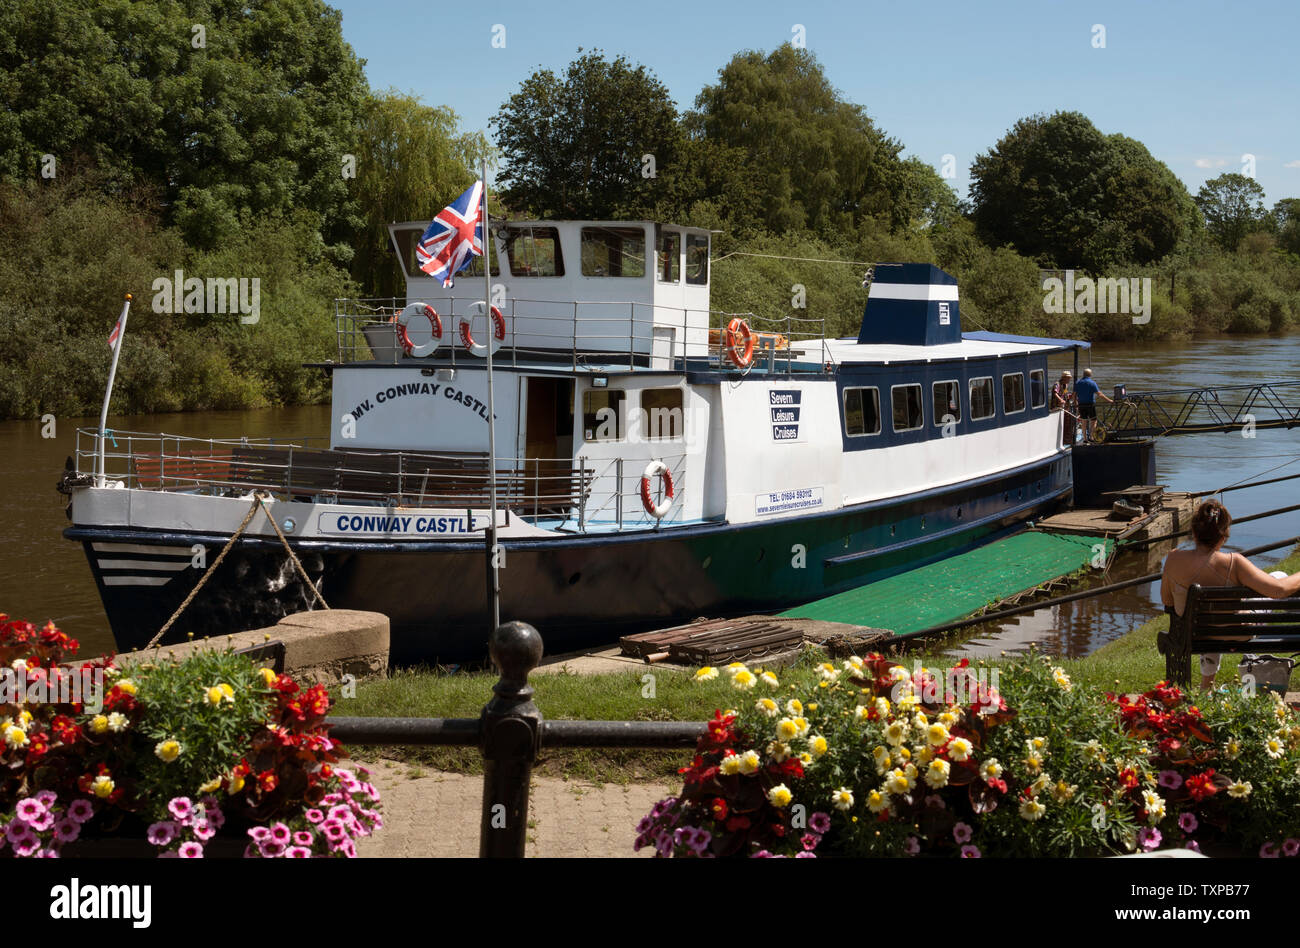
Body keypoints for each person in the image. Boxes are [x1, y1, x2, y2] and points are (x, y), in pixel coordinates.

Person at [1160, 500, 1300, 690]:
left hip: (1195, 633)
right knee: (1279, 576)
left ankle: (1206, 685)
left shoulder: (1173, 558)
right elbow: (1278, 590)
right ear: (1223, 536)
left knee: (1204, 614)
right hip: (1238, 633)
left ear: (1194, 533)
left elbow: (1167, 600)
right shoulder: (1234, 562)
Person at [1073, 368, 1112, 443]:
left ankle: (1085, 439)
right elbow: (1099, 394)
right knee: (1094, 420)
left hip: (1081, 405)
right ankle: (1091, 436)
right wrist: (1109, 400)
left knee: (1084, 421)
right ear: (1090, 374)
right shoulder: (1092, 383)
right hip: (1090, 404)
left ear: (1083, 374)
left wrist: (1076, 403)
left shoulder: (1078, 383)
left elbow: (1074, 395)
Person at [1051, 371, 1076, 446]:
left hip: (1064, 407)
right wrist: (1060, 400)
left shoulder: (1065, 385)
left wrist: (1072, 395)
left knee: (1067, 421)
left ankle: (1066, 439)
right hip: (1057, 407)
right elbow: (1055, 393)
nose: (1069, 379)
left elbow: (1065, 394)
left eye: (1069, 378)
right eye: (1068, 378)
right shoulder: (1057, 384)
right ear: (1064, 377)